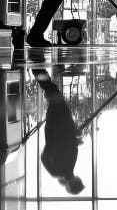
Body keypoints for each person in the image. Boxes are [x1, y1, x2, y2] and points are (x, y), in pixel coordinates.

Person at [34, 67, 85, 195]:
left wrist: (56, 141)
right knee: (53, 94)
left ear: (71, 184)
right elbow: (63, 147)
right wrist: (74, 139)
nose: (77, 180)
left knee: (54, 93)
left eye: (77, 183)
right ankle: (39, 71)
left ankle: (38, 71)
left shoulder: (59, 171)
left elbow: (48, 154)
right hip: (58, 127)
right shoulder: (61, 170)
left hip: (58, 125)